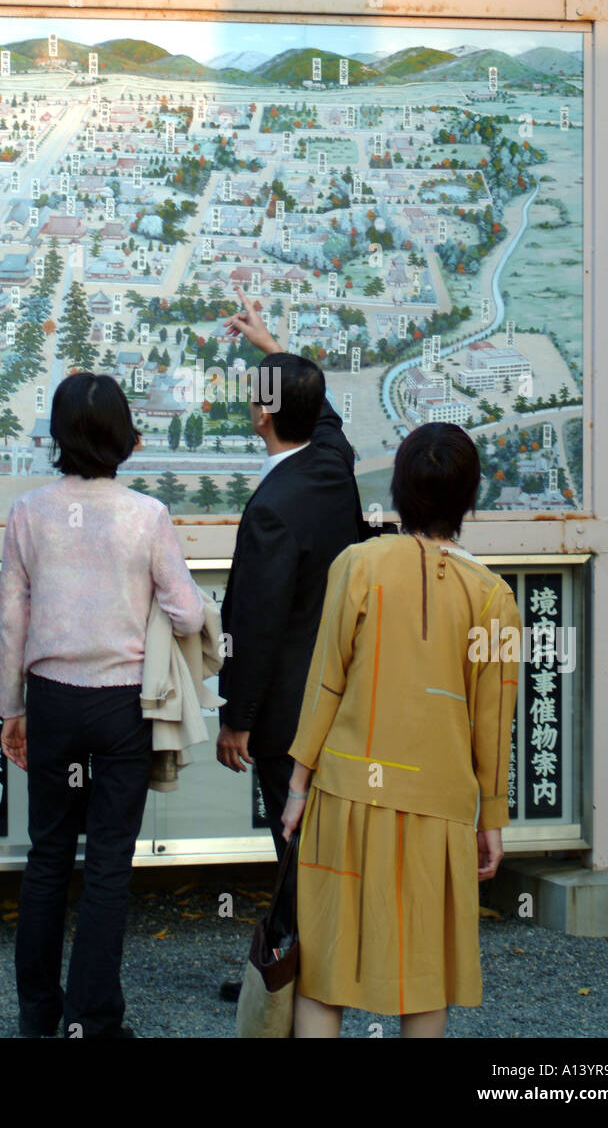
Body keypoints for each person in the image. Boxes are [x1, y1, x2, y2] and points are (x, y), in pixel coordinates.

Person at [282, 422, 522, 1039]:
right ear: (469, 499)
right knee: (427, 973)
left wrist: (298, 784)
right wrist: (491, 818)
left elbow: (325, 681)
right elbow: (493, 722)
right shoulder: (494, 597)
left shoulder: (357, 564)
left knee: (323, 970)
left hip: (345, 788)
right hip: (439, 805)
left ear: (398, 489)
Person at [0, 372, 204, 1039]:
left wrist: (10, 710)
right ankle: (94, 1019)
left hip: (53, 701)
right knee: (110, 861)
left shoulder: (29, 512)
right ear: (127, 439)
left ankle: (37, 1015)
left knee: (49, 854)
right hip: (123, 706)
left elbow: (11, 620)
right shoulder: (147, 516)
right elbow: (187, 610)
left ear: (56, 438)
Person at [216, 291, 370, 863]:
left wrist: (237, 720)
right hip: (340, 695)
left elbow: (258, 624)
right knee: (328, 845)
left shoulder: (271, 508)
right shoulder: (332, 464)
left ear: (262, 414)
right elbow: (319, 413)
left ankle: (305, 949)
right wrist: (274, 349)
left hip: (286, 715)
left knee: (296, 848)